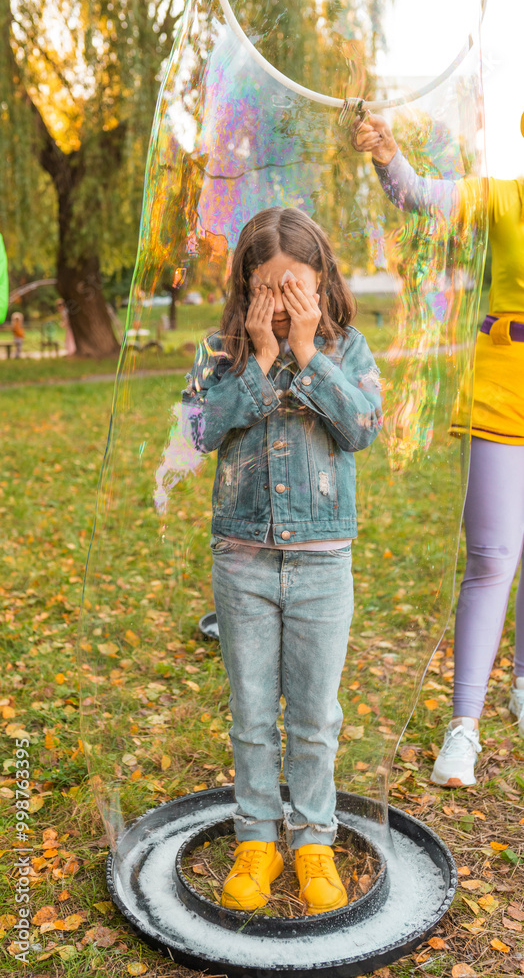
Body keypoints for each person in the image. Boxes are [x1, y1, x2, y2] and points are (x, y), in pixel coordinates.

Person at [183, 206, 382, 913]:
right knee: (250, 711)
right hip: (242, 561)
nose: (282, 303)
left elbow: (361, 427)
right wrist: (263, 358)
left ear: (322, 281)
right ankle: (257, 838)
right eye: (268, 288)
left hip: (324, 563)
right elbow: (200, 429)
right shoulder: (219, 352)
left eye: (295, 287)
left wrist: (307, 353)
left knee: (314, 714)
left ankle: (313, 842)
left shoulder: (348, 349)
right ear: (245, 287)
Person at [352, 111, 524, 788]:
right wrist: (389, 156)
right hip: (501, 397)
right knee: (491, 556)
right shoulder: (501, 197)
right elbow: (418, 194)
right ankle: (464, 727)